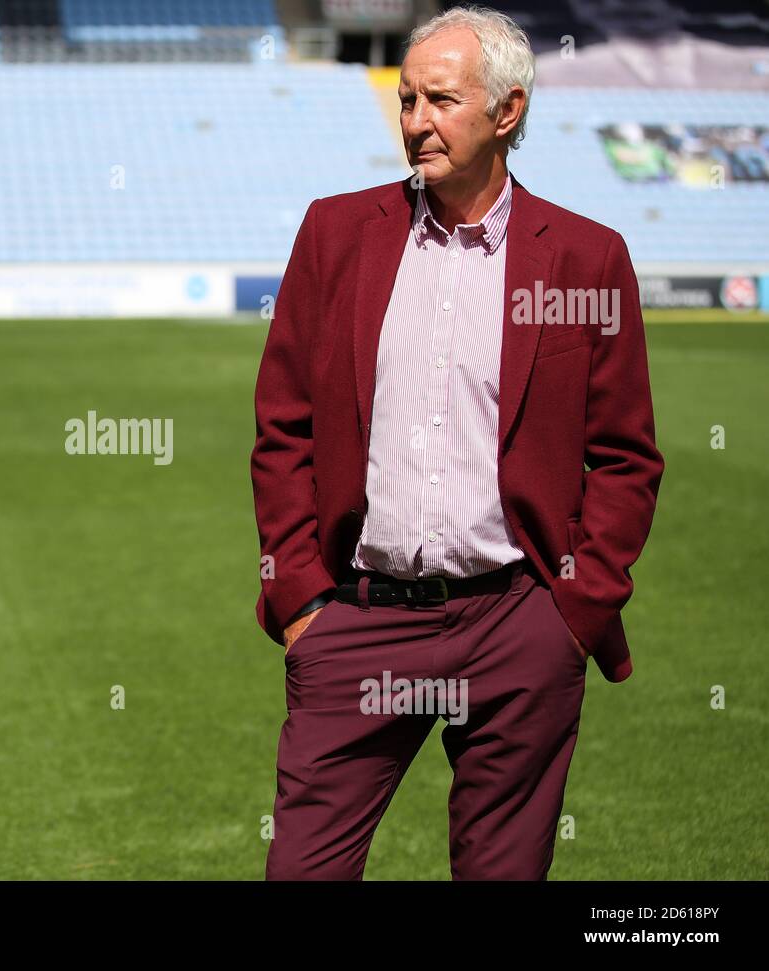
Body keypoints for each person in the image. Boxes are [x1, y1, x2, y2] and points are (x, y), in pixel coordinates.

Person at [251, 6, 663, 880]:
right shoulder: (335, 232)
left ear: (507, 112)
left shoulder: (587, 258)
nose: (415, 122)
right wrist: (299, 603)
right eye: (406, 100)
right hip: (356, 622)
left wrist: (574, 614)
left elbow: (626, 456)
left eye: (439, 100)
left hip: (520, 623)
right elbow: (281, 426)